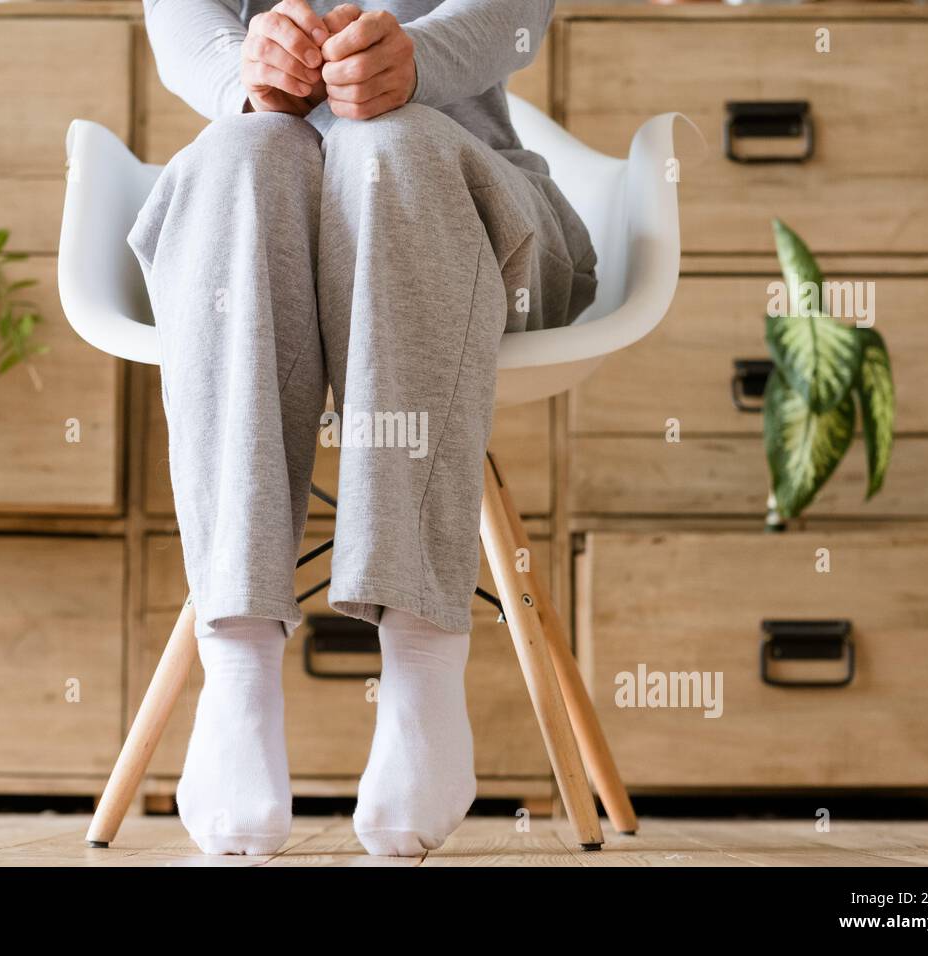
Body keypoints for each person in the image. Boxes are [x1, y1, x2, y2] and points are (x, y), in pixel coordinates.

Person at [129, 0, 597, 857]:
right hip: (263, 209)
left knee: (388, 145)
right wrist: (243, 72)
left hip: (477, 199)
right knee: (248, 147)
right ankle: (236, 675)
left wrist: (419, 59)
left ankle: (423, 669)